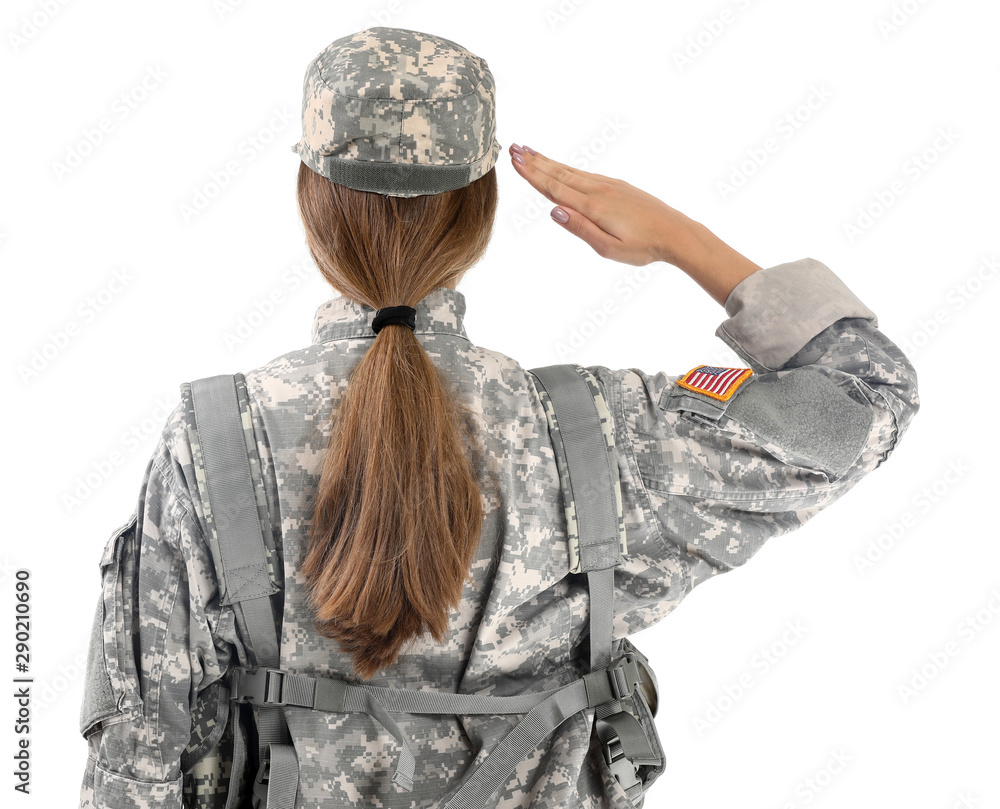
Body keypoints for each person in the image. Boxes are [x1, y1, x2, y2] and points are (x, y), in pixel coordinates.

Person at [77, 26, 920, 809]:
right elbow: (868, 394)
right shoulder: (602, 434)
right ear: (479, 214)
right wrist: (679, 239)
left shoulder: (214, 439)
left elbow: (133, 766)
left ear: (311, 206)